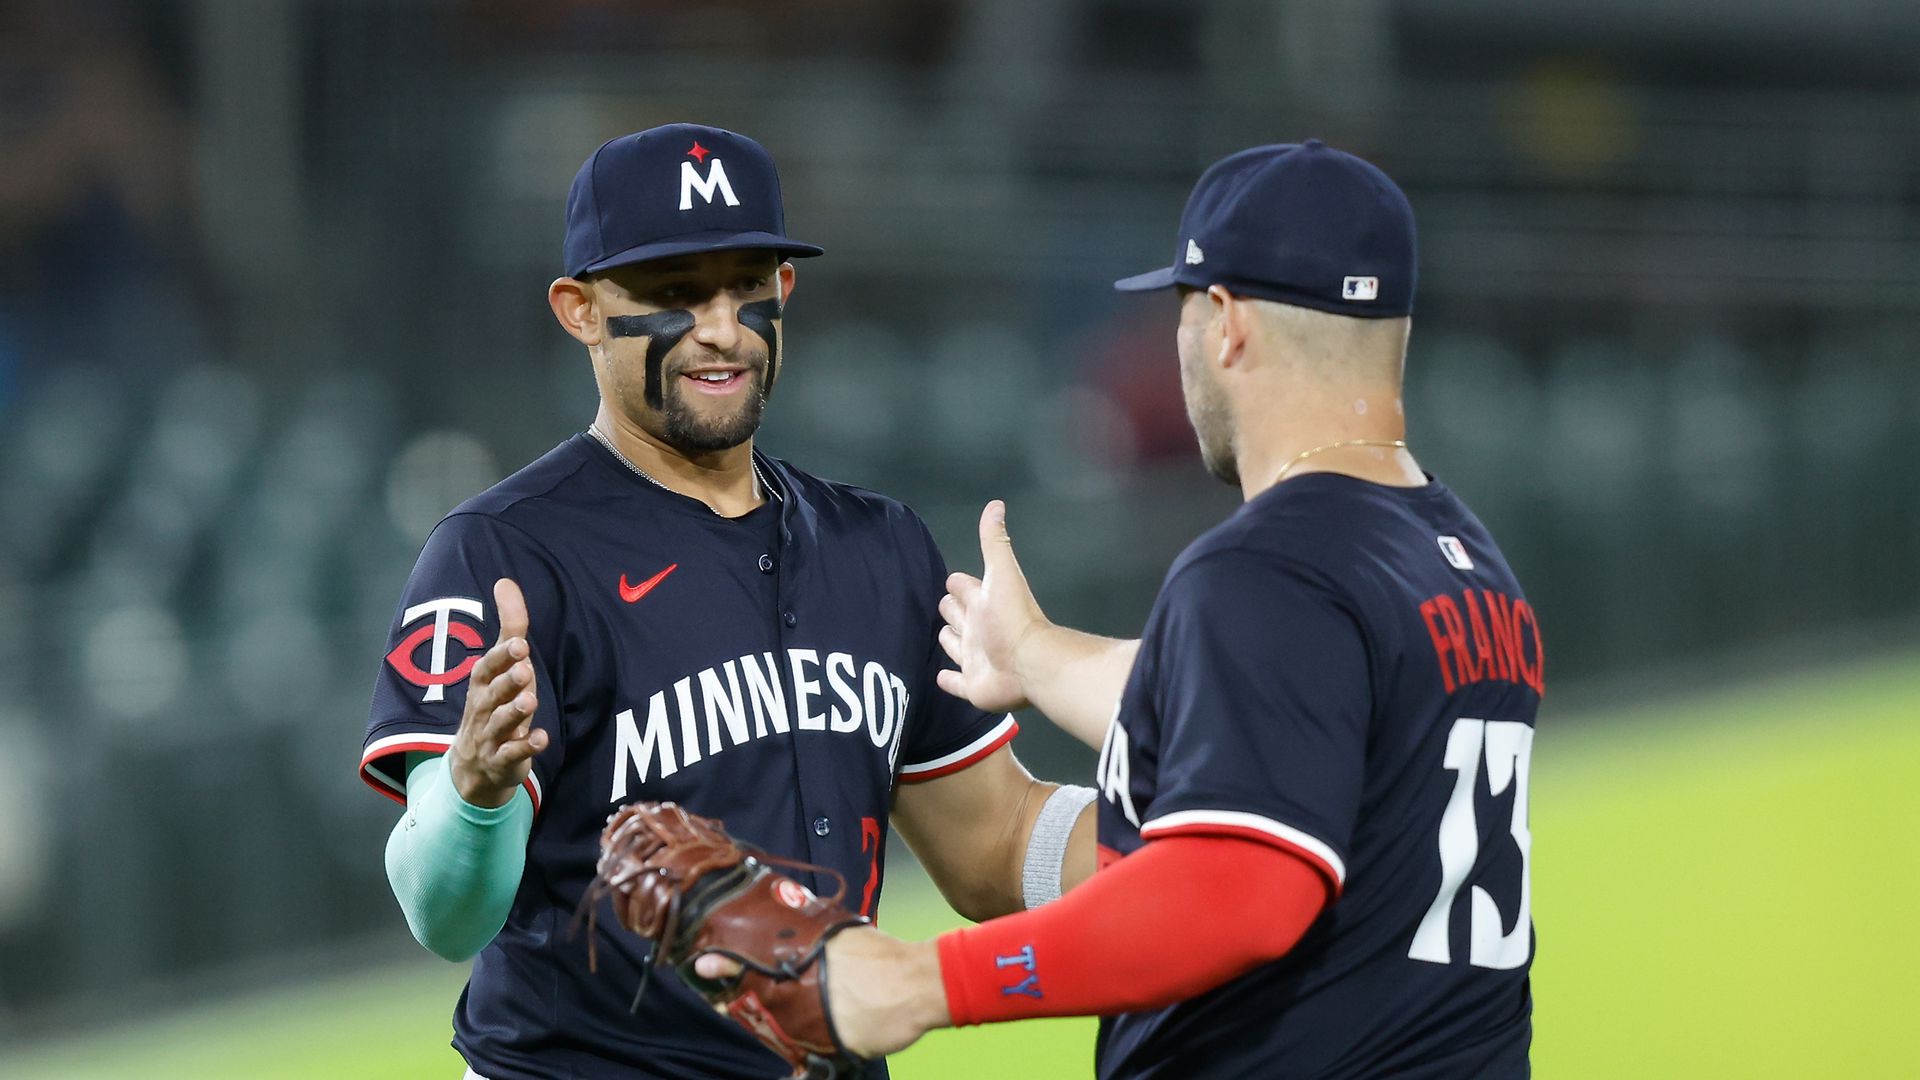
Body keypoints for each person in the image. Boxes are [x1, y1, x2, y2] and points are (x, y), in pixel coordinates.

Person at [360, 123, 1098, 1080]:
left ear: (783, 292)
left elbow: (994, 842)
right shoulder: (506, 556)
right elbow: (445, 917)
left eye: (747, 285)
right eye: (674, 293)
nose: (720, 326)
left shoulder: (880, 547)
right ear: (579, 309)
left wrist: (1188, 841)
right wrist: (475, 792)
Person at [812, 140, 1542, 1077]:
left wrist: (926, 982)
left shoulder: (1266, 568)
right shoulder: (1463, 561)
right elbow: (1269, 718)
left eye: (1183, 309)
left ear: (1228, 322)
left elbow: (1235, 892)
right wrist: (1035, 656)